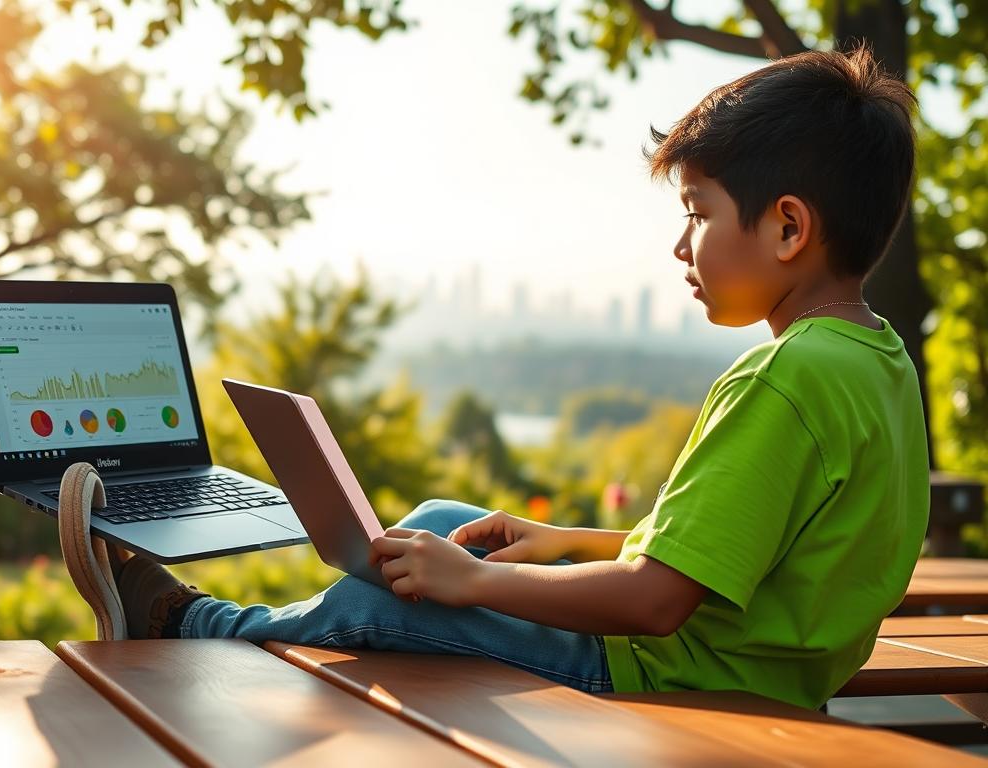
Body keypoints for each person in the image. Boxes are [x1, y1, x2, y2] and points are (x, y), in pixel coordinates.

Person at [60, 46, 928, 710]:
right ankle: (290, 613)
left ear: (787, 228)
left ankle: (196, 625)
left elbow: (659, 602)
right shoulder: (875, 362)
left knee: (416, 601)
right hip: (744, 666)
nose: (680, 246)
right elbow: (714, 560)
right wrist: (553, 544)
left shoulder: (780, 378)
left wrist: (473, 584)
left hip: (673, 681)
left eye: (696, 214)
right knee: (441, 529)